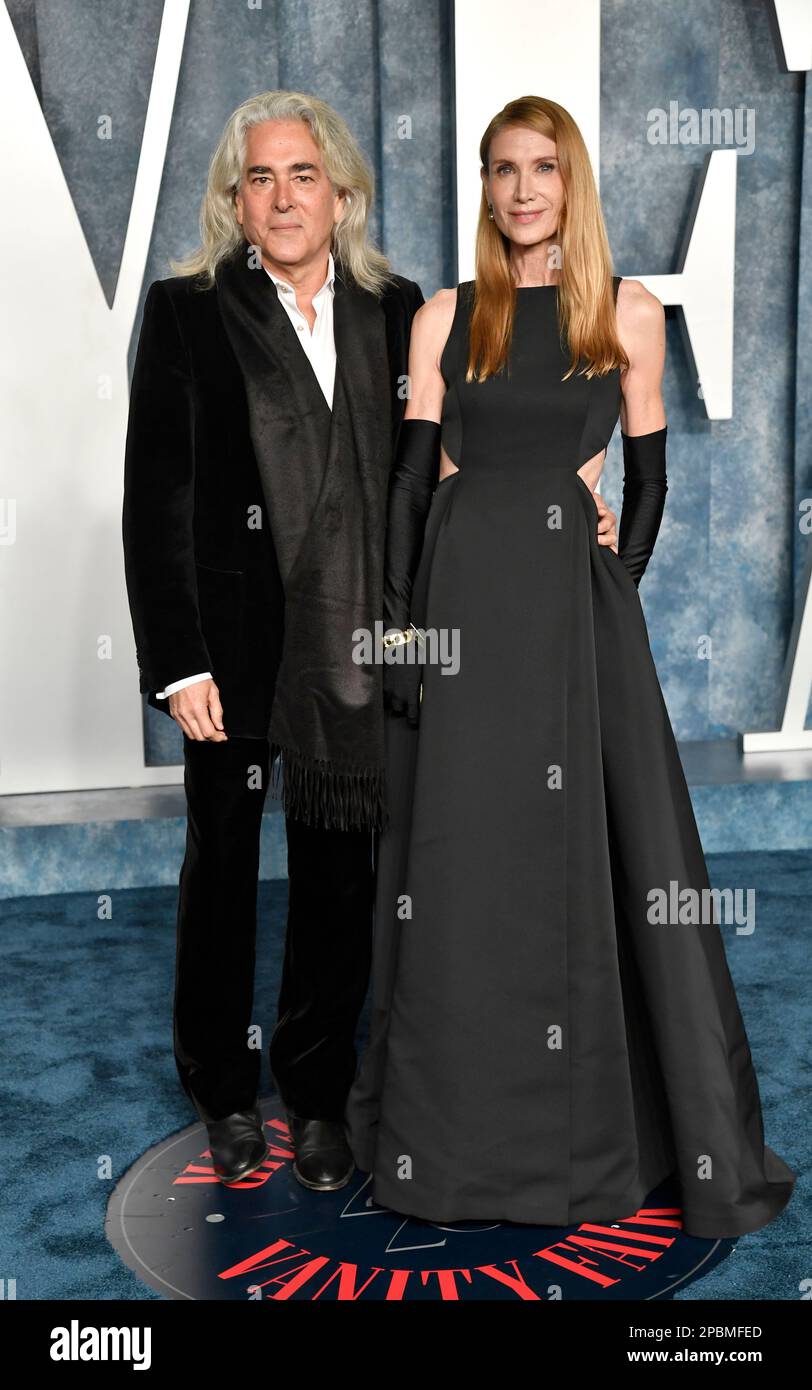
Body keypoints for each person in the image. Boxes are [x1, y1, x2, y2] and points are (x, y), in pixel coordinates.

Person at [343, 95, 797, 1238]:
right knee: (459, 868)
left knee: (600, 859)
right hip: (458, 613)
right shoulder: (446, 317)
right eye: (501, 169)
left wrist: (609, 583)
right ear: (485, 187)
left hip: (568, 622)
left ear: (571, 180)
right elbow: (407, 487)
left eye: (541, 167)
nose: (521, 188)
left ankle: (610, 1131)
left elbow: (646, 481)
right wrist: (401, 633)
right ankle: (455, 1141)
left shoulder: (628, 314)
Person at [122, 91, 423, 1188]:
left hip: (358, 643)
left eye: (303, 175)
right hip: (232, 650)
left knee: (341, 873)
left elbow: (425, 478)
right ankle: (220, 1090)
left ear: (341, 191)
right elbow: (156, 496)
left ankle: (314, 1089)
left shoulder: (398, 310)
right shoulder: (189, 310)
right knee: (223, 867)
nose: (283, 196)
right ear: (234, 201)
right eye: (261, 178)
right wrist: (176, 661)